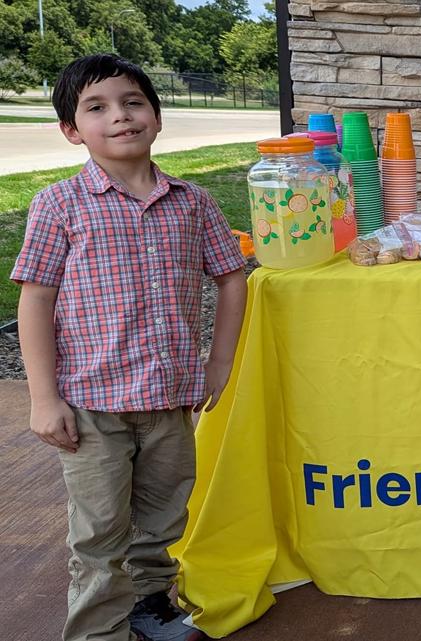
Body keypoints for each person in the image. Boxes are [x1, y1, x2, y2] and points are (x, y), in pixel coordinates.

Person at [10, 54, 248, 641]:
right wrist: (44, 398)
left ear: (157, 117)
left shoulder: (192, 203)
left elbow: (232, 275)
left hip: (169, 399)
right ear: (72, 131)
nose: (120, 116)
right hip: (91, 404)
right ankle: (98, 631)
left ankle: (148, 607)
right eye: (97, 107)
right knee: (99, 530)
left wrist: (219, 361)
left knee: (164, 515)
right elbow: (35, 301)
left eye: (133, 102)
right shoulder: (59, 205)